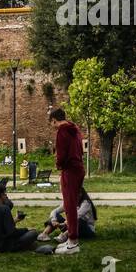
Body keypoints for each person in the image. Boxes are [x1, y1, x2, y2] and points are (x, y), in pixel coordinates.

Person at [50, 107, 84, 255]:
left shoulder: (62, 131)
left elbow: (61, 154)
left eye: (51, 123)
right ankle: (71, 239)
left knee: (69, 206)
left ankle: (72, 242)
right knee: (72, 205)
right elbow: (81, 151)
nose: (52, 126)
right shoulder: (75, 129)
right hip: (78, 168)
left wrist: (58, 164)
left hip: (69, 170)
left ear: (54, 120)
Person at [0, 183, 38, 254]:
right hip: (0, 247)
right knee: (33, 233)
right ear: (1, 195)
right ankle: (27, 245)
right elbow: (11, 232)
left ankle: (28, 245)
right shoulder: (5, 208)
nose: (6, 196)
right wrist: (26, 230)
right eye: (4, 194)